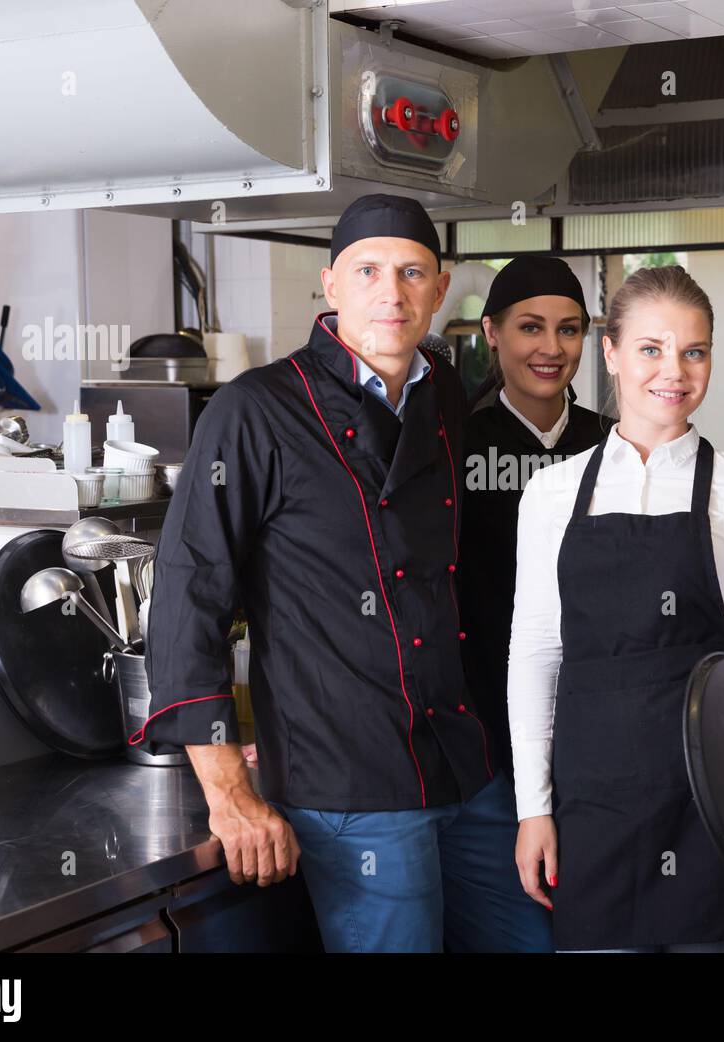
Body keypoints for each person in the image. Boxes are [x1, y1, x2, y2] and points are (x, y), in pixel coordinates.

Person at [137, 193, 550, 953]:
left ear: (439, 286)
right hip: (350, 778)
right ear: (330, 285)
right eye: (367, 271)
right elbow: (190, 596)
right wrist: (227, 791)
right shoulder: (254, 410)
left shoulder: (446, 395)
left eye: (410, 273)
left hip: (464, 760)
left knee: (532, 943)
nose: (389, 293)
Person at [508, 265, 724, 953]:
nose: (673, 370)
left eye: (693, 350)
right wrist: (534, 809)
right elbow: (533, 657)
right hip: (593, 805)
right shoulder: (551, 495)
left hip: (711, 801)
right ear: (610, 353)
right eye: (650, 348)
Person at [458, 256, 609, 805]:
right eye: (530, 327)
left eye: (567, 330)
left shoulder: (614, 443)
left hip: (594, 710)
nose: (551, 348)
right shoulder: (455, 444)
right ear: (491, 333)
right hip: (480, 719)